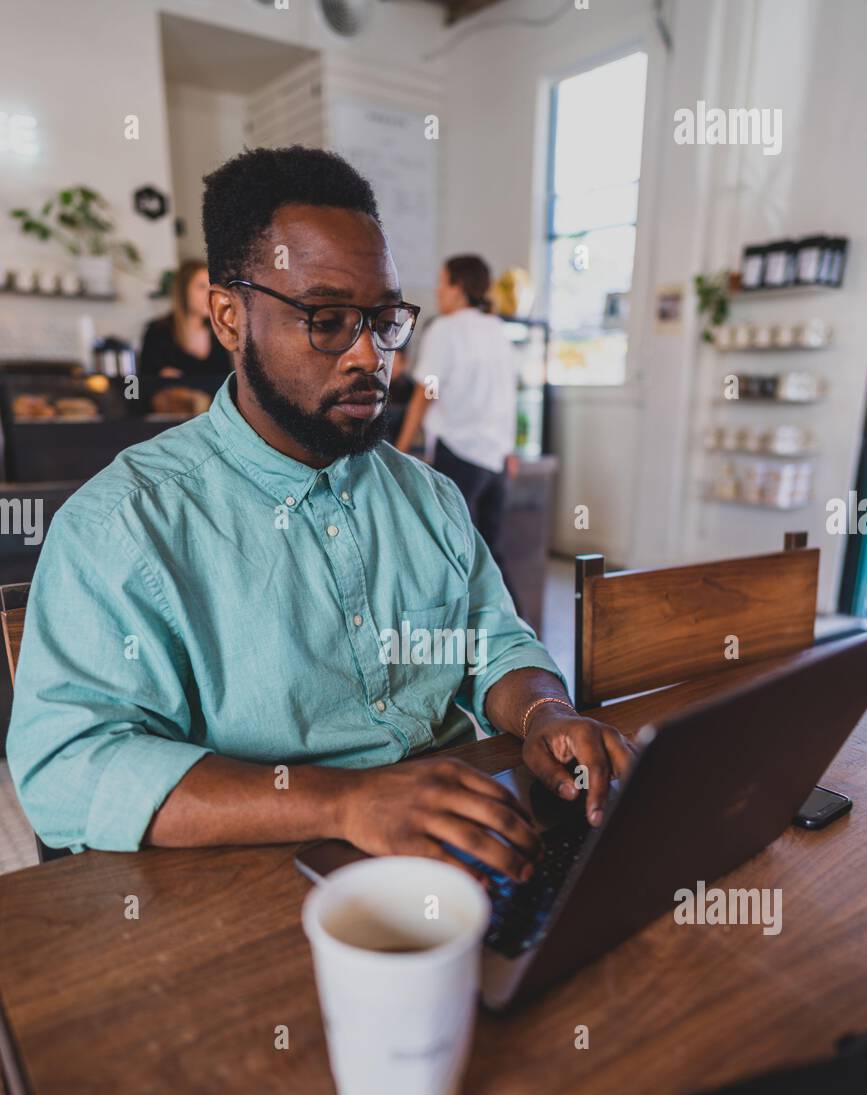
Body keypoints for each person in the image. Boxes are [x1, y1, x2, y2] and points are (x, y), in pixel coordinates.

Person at [8, 146, 633, 876]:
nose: (370, 356)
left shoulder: (425, 496)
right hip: (252, 878)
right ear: (228, 316)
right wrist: (345, 803)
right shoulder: (126, 525)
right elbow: (71, 766)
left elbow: (490, 643)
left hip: (455, 838)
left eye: (384, 318)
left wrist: (543, 714)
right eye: (328, 319)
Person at [396, 255, 517, 588]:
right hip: (496, 461)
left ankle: (450, 632)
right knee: (490, 553)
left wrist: (401, 449)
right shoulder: (496, 329)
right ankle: (517, 631)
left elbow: (426, 392)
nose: (437, 291)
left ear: (459, 287)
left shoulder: (445, 329)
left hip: (460, 452)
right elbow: (508, 392)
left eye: (442, 282)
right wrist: (509, 450)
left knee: (446, 550)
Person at [139, 257, 230, 394]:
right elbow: (142, 386)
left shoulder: (219, 331)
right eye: (201, 287)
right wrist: (161, 378)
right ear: (183, 290)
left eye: (212, 287)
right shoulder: (158, 331)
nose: (210, 295)